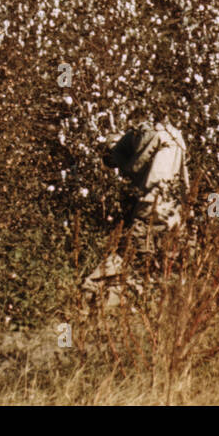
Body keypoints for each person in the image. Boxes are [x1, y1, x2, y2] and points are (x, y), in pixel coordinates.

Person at [81, 120, 191, 307]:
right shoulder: (175, 137)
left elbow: (134, 164)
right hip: (172, 211)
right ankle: (143, 299)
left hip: (152, 208)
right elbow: (184, 178)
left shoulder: (142, 136)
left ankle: (91, 290)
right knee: (160, 261)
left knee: (131, 255)